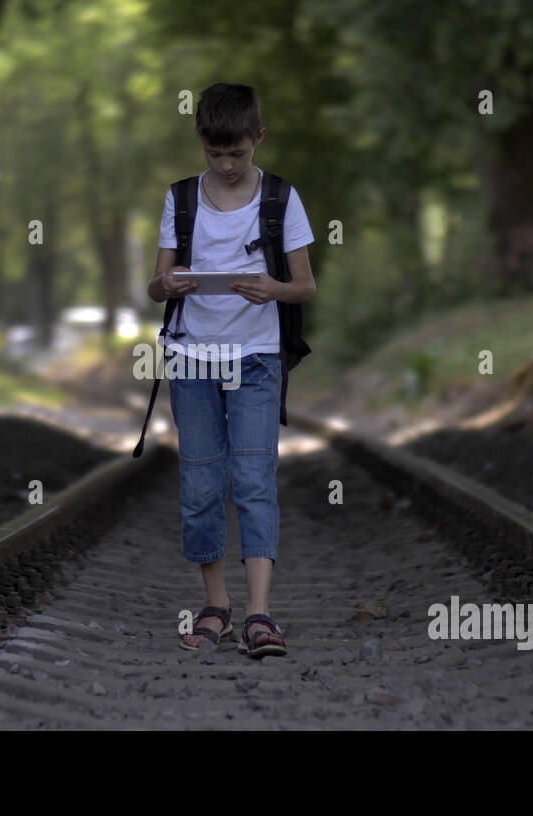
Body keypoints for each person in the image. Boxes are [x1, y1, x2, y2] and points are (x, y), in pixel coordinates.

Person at [145, 82, 316, 658]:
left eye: (236, 155)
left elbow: (305, 286)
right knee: (199, 484)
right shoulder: (181, 199)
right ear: (200, 142)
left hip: (258, 358)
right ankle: (215, 605)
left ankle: (260, 614)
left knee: (252, 480)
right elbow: (155, 285)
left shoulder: (281, 199)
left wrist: (274, 290)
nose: (224, 165)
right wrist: (166, 283)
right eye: (214, 154)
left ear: (257, 139)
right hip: (191, 357)